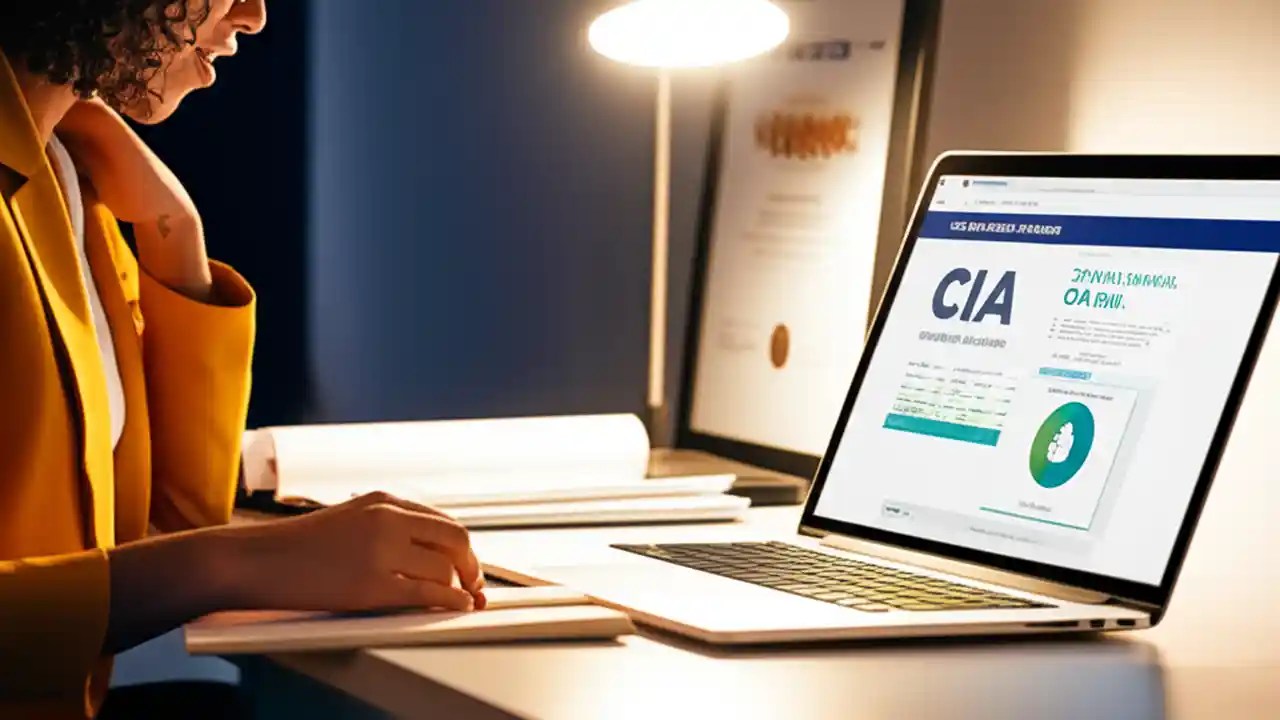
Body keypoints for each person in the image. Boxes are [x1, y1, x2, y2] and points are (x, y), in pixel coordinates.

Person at [0, 2, 486, 717]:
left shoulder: (70, 182)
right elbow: (187, 555)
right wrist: (241, 563)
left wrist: (174, 236)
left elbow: (170, 523)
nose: (254, 15)